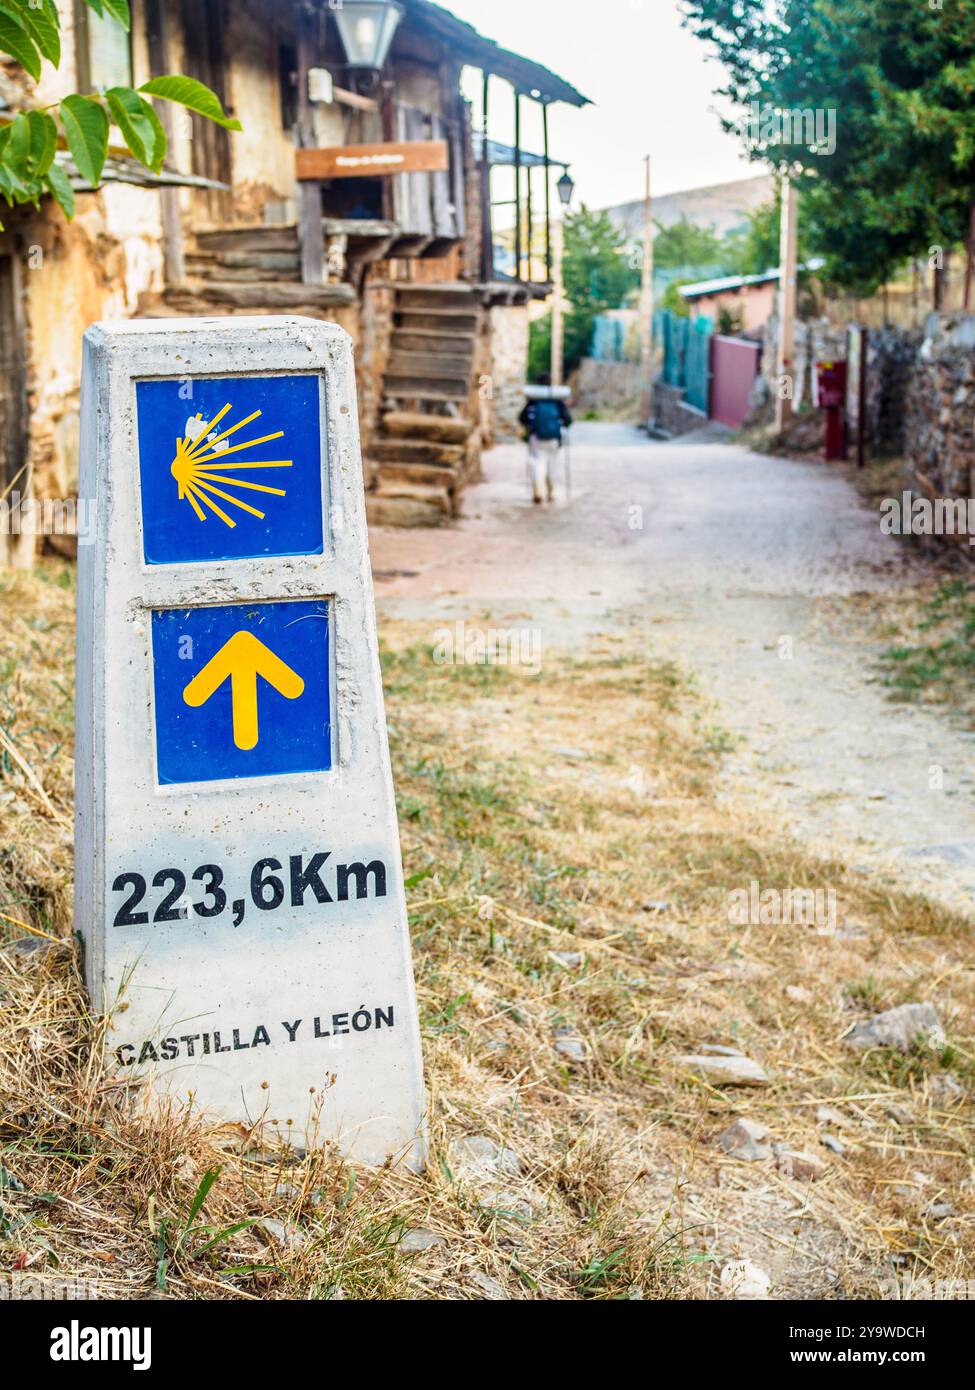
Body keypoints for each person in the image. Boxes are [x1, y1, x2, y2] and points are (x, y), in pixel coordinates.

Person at [519, 377, 573, 505]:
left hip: (536, 438)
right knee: (552, 464)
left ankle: (538, 491)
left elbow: (522, 418)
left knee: (538, 463)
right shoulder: (557, 401)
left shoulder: (533, 401)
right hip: (554, 439)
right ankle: (551, 492)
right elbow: (568, 420)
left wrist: (528, 428)